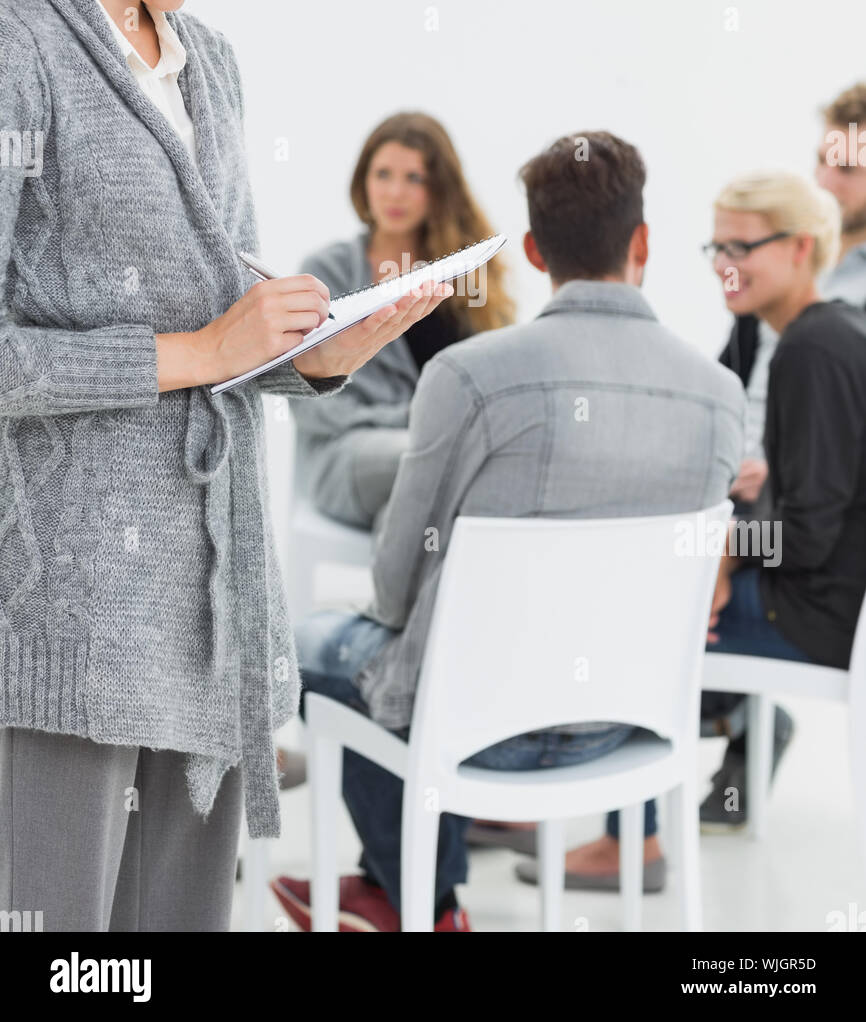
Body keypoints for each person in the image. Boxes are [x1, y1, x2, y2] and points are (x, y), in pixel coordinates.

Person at [0, 0, 453, 933]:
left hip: (208, 602)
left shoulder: (211, 69)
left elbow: (221, 311)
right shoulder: (16, 48)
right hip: (66, 609)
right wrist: (196, 353)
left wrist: (313, 353)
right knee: (66, 944)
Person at [269, 130, 745, 931]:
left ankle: (422, 896)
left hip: (477, 727)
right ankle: (400, 890)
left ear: (530, 248)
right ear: (644, 242)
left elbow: (391, 593)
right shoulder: (719, 394)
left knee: (313, 647)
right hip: (626, 727)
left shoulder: (470, 377)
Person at [563, 167, 863, 875]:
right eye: (716, 249)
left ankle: (632, 843)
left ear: (801, 248)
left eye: (743, 247)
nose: (725, 266)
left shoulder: (810, 350)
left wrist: (722, 557)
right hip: (824, 601)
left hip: (816, 616)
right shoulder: (816, 333)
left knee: (633, 624)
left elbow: (809, 536)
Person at [289, 112, 516, 533]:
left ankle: (408, 599)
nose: (395, 192)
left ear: (439, 189)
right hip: (348, 454)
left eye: (414, 178)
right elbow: (313, 408)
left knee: (437, 486)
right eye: (383, 174)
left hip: (439, 447)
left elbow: (494, 384)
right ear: (363, 181)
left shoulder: (466, 275)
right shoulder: (328, 272)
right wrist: (422, 423)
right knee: (425, 461)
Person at [722, 82, 866, 521]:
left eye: (846, 167)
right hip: (727, 494)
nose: (825, 182)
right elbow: (730, 377)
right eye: (822, 160)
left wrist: (784, 472)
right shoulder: (785, 262)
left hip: (803, 516)